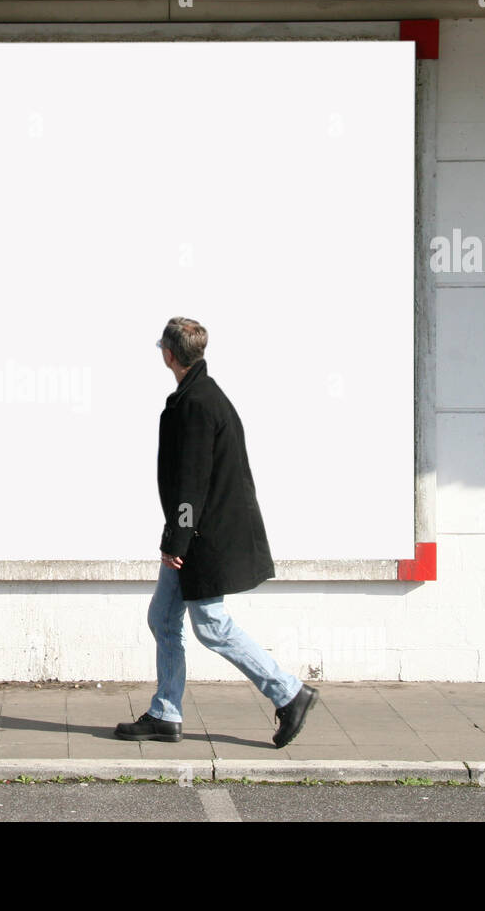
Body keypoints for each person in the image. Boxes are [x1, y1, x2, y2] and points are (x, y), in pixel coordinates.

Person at [115, 317, 318, 748]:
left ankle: (289, 693)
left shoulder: (196, 405)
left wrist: (177, 541)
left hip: (203, 537)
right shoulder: (201, 395)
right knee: (163, 618)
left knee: (211, 626)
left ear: (169, 354)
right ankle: (165, 714)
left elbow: (191, 482)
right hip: (197, 532)